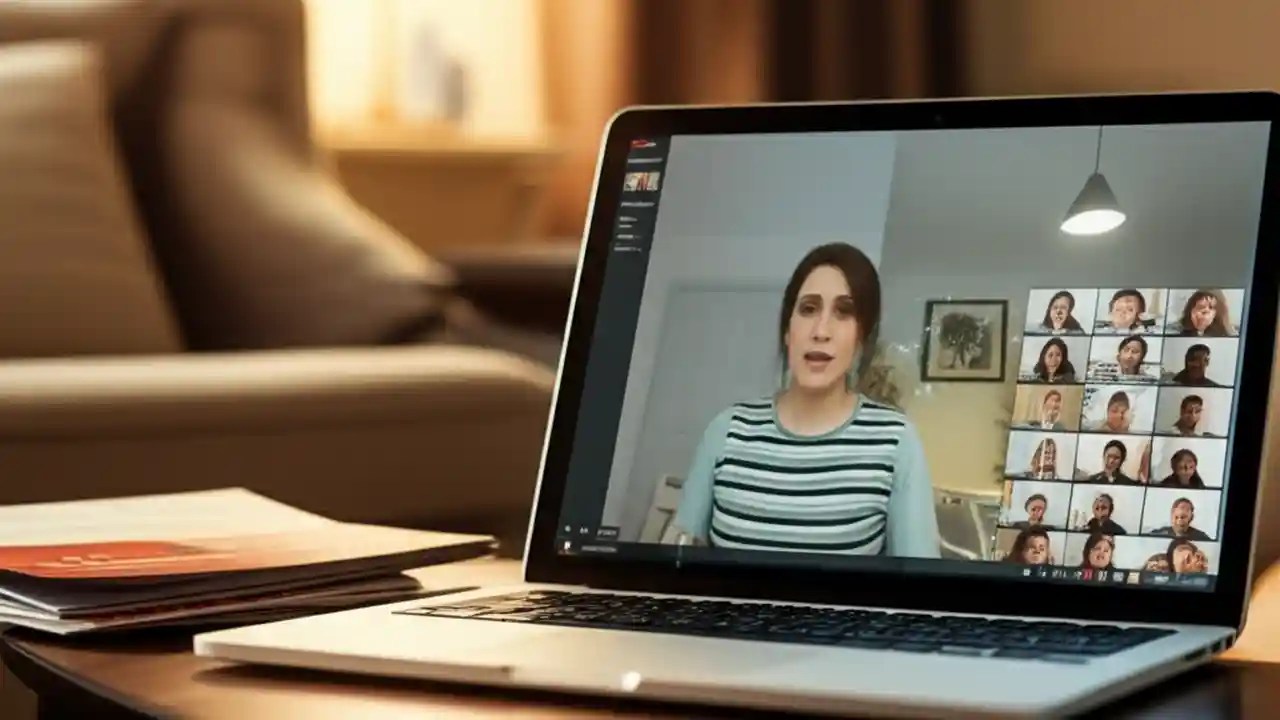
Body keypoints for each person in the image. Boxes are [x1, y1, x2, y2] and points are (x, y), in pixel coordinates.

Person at [670, 243, 940, 557]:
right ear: (788, 329)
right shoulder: (727, 430)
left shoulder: (896, 441)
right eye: (809, 308)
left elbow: (916, 590)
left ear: (861, 337)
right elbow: (679, 565)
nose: (821, 331)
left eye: (844, 312)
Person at [1171, 290, 1235, 337]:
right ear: (1190, 310)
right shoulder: (1174, 330)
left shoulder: (1227, 333)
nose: (1204, 313)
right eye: (1200, 307)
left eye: (1211, 307)